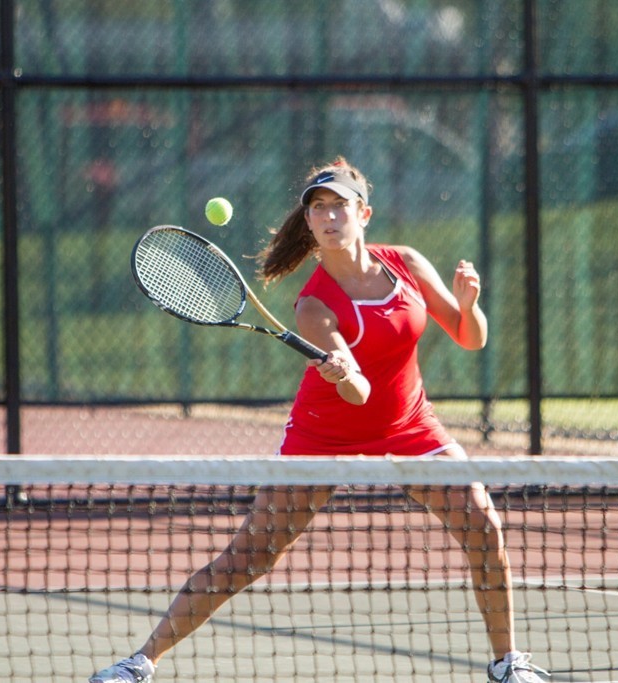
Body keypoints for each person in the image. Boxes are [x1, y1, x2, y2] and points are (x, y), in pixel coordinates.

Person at [90, 158, 548, 683]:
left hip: (410, 426)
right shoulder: (313, 307)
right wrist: (341, 371)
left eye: (339, 207)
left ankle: (508, 663)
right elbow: (358, 393)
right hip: (322, 435)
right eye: (318, 209)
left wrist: (469, 306)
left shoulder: (407, 265)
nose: (329, 217)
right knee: (250, 558)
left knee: (483, 527)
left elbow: (471, 337)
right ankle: (140, 661)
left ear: (364, 213)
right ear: (308, 223)